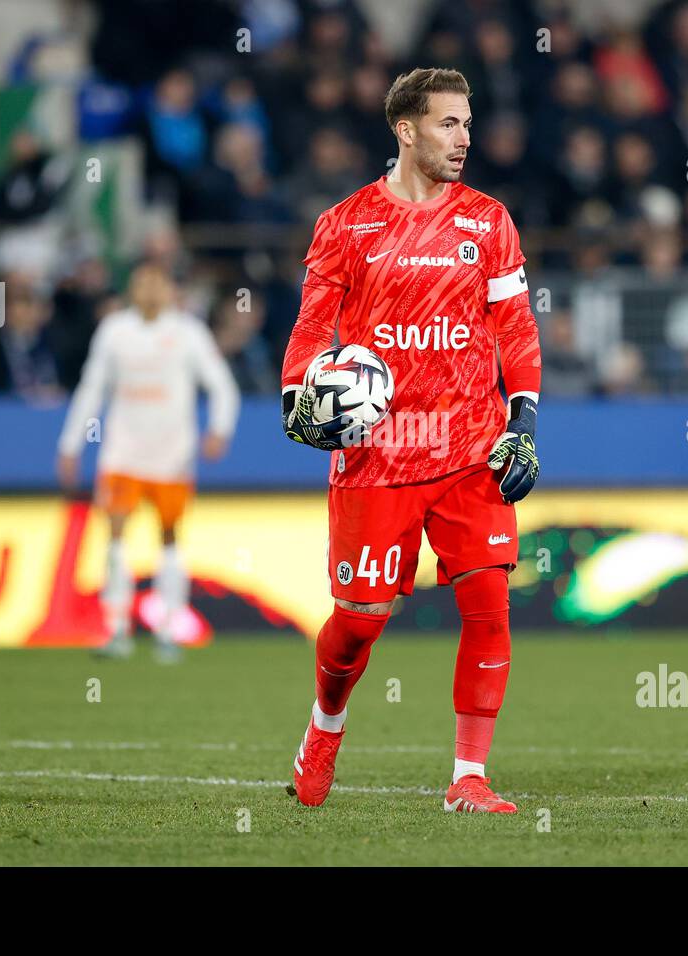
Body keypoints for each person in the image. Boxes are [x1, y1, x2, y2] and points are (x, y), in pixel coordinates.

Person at [281, 68, 542, 813]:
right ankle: (324, 728)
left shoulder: (488, 222)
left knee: (489, 605)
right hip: (377, 456)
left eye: (467, 123)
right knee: (359, 627)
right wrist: (297, 398)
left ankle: (469, 777)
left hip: (470, 449)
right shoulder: (346, 223)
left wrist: (522, 424)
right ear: (406, 129)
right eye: (448, 124)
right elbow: (309, 328)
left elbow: (515, 331)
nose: (465, 138)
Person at [56, 262, 239, 660]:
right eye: (141, 283)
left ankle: (169, 628)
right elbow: (92, 389)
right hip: (123, 453)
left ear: (170, 289)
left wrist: (219, 429)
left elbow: (222, 384)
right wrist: (71, 444)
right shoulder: (114, 331)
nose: (149, 291)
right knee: (116, 534)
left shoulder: (188, 332)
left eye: (156, 283)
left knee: (170, 537)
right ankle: (116, 627)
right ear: (131, 290)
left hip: (172, 455)